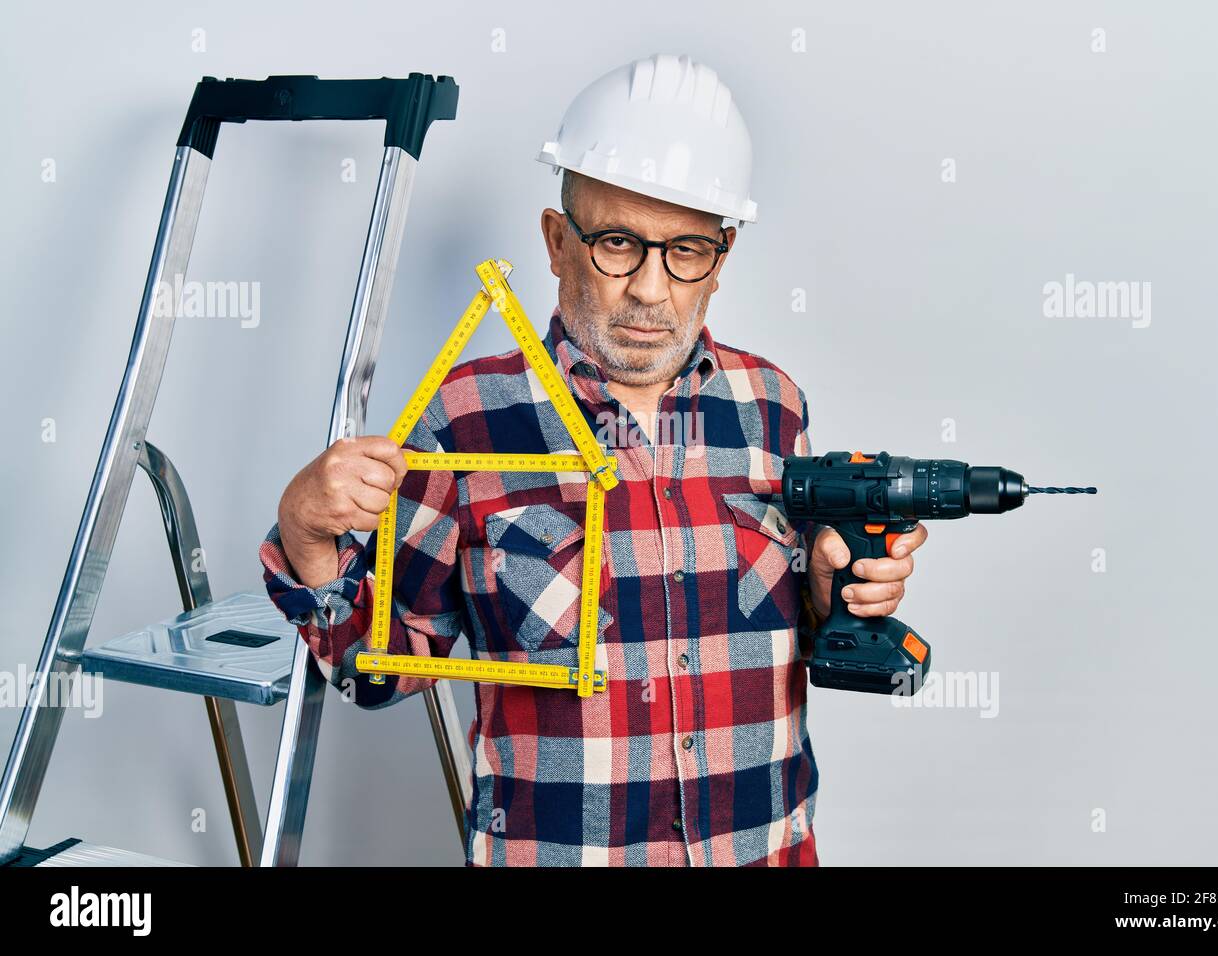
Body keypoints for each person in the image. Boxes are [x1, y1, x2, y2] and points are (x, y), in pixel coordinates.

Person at [260, 53, 927, 866]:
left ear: (723, 259)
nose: (651, 289)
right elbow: (375, 672)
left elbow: (798, 633)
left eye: (687, 250)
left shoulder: (772, 408)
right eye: (618, 243)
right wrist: (305, 535)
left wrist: (832, 597)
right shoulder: (467, 420)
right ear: (555, 241)